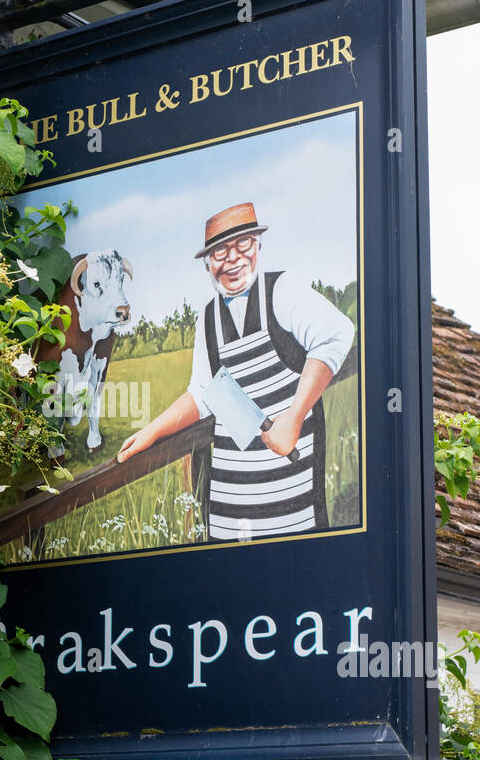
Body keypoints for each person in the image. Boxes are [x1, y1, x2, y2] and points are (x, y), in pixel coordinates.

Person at [117, 202, 355, 540]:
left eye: (241, 244)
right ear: (207, 263)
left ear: (257, 245)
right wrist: (152, 431)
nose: (232, 259)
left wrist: (294, 418)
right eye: (219, 251)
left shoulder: (281, 291)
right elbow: (204, 392)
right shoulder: (208, 318)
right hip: (230, 505)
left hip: (292, 501)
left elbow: (336, 334)